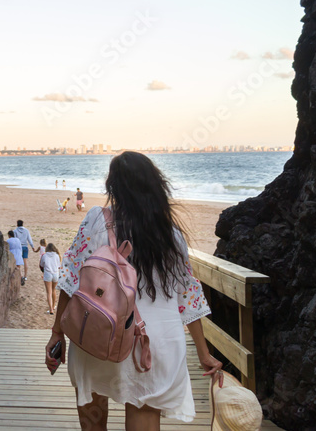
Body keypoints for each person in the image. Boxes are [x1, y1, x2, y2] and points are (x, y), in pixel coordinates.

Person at [45, 151, 222, 431]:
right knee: (144, 411)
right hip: (153, 345)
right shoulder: (171, 234)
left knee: (93, 411)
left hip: (99, 333)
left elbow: (70, 278)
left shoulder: (97, 220)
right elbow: (188, 296)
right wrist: (203, 353)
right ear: (154, 186)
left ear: (113, 188)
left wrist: (58, 332)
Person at [13, 220, 40, 285]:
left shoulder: (15, 231)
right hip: (25, 247)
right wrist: (32, 247)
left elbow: (15, 240)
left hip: (19, 247)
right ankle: (25, 276)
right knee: (25, 262)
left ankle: (20, 276)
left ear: (17, 224)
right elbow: (29, 239)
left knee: (18, 262)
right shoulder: (26, 230)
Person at [39, 243, 61, 315]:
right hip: (55, 274)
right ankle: (54, 306)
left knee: (49, 292)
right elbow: (58, 266)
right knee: (53, 290)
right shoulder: (57, 256)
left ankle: (51, 309)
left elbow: (41, 265)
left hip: (48, 273)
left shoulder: (44, 255)